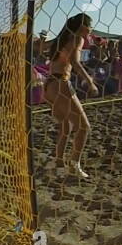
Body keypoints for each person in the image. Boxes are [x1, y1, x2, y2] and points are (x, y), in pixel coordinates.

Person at [43, 13, 98, 178]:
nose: (90, 30)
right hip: (61, 84)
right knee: (84, 127)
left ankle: (59, 163)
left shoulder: (62, 38)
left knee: (65, 128)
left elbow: (42, 48)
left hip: (49, 87)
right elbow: (75, 62)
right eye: (90, 26)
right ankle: (74, 164)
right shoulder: (77, 39)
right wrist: (90, 82)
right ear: (83, 27)